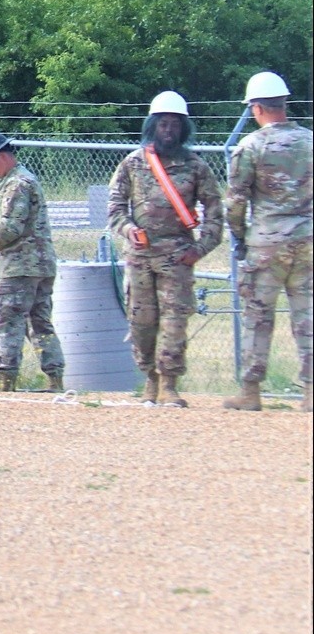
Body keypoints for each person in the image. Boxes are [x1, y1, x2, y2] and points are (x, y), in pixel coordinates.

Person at [107, 91, 223, 407]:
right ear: (152, 126)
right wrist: (129, 230)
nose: (168, 130)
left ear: (184, 128)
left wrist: (201, 248)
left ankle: (170, 384)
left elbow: (215, 210)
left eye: (174, 124)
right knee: (141, 322)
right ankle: (150, 380)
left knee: (174, 321)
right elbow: (115, 206)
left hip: (178, 257)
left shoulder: (197, 167)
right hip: (140, 256)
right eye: (163, 124)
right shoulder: (133, 163)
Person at [221, 72, 312, 412]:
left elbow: (236, 202)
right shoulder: (310, 141)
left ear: (256, 108)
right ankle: (310, 393)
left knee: (257, 316)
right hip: (308, 241)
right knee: (308, 316)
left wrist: (241, 237)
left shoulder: (251, 147)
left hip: (266, 244)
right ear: (284, 104)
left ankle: (251, 390)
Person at [0, 132, 63, 392]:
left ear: (3, 156)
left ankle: (5, 380)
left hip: (20, 266)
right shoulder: (25, 179)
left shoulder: (16, 183)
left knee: (8, 322)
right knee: (40, 323)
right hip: (41, 265)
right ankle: (55, 378)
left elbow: (9, 228)